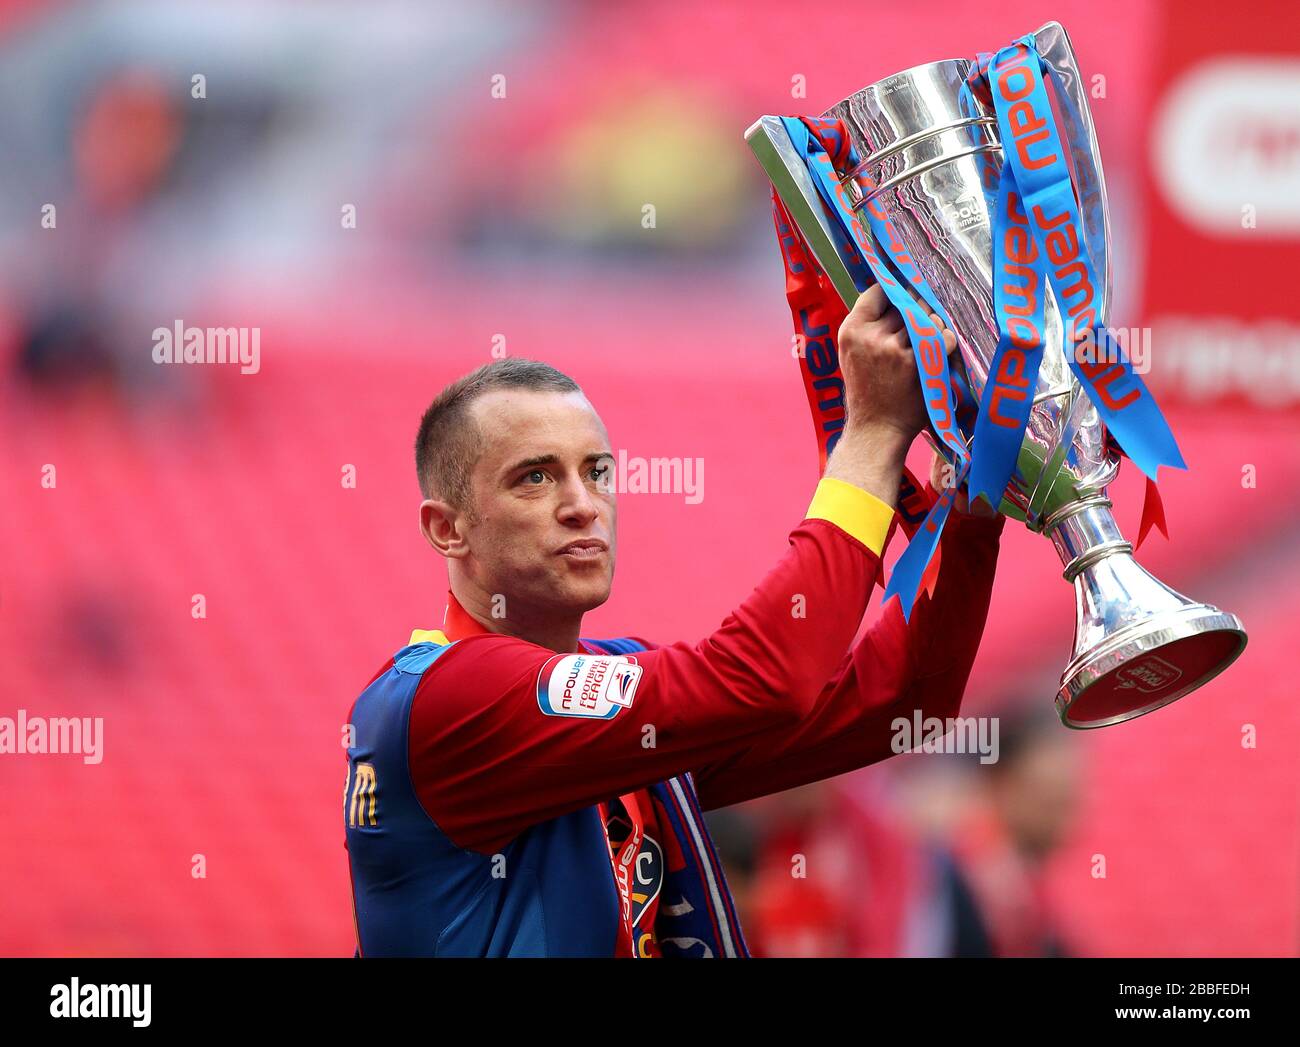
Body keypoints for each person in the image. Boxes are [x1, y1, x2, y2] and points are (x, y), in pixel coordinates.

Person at [343, 285, 1006, 956]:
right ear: (447, 528)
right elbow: (768, 677)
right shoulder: (445, 700)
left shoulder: (611, 674)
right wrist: (870, 436)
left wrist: (972, 522)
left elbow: (898, 701)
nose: (583, 504)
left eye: (596, 471)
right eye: (535, 478)